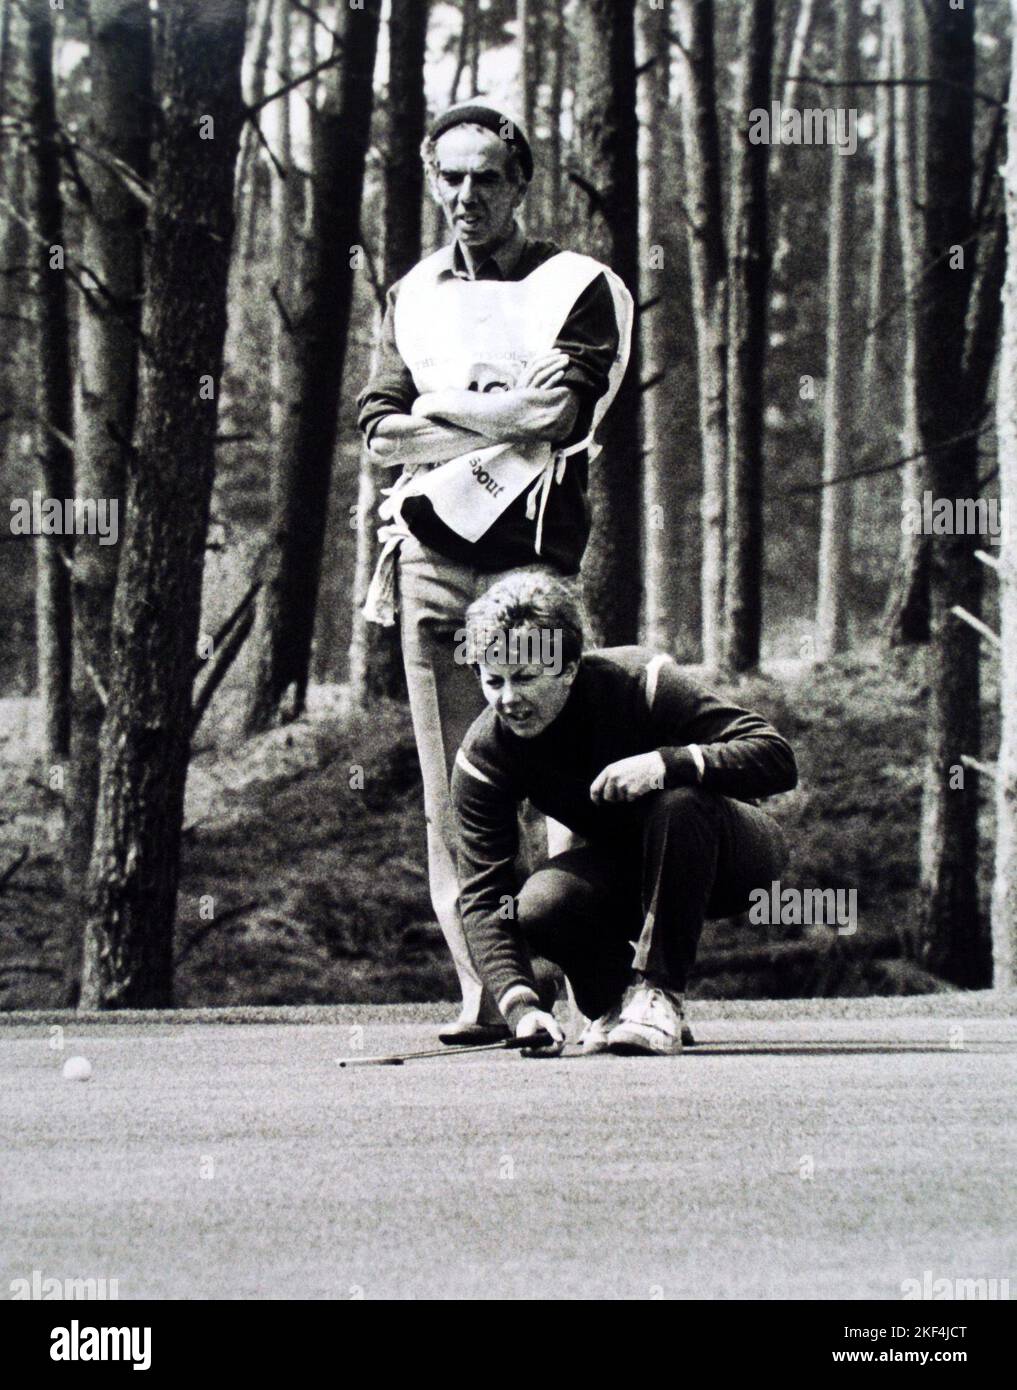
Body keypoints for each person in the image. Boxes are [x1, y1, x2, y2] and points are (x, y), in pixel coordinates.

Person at [356, 99, 634, 1044]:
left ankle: (588, 983)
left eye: (487, 178)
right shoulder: (412, 292)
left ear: (519, 184)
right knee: (454, 790)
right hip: (429, 555)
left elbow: (561, 414)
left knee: (567, 784)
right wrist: (496, 407)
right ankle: (489, 989)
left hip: (532, 563)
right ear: (434, 182)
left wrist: (450, 412)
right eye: (451, 177)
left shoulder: (578, 284)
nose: (467, 196)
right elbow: (381, 432)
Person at [450, 571, 799, 1057]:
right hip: (622, 874)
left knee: (679, 801)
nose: (509, 699)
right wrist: (521, 1007)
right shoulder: (484, 754)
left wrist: (667, 763)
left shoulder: (641, 681)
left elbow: (775, 758)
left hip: (729, 856)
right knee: (541, 903)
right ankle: (615, 1002)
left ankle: (661, 994)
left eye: (526, 677)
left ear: (569, 669)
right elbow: (485, 893)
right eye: (494, 681)